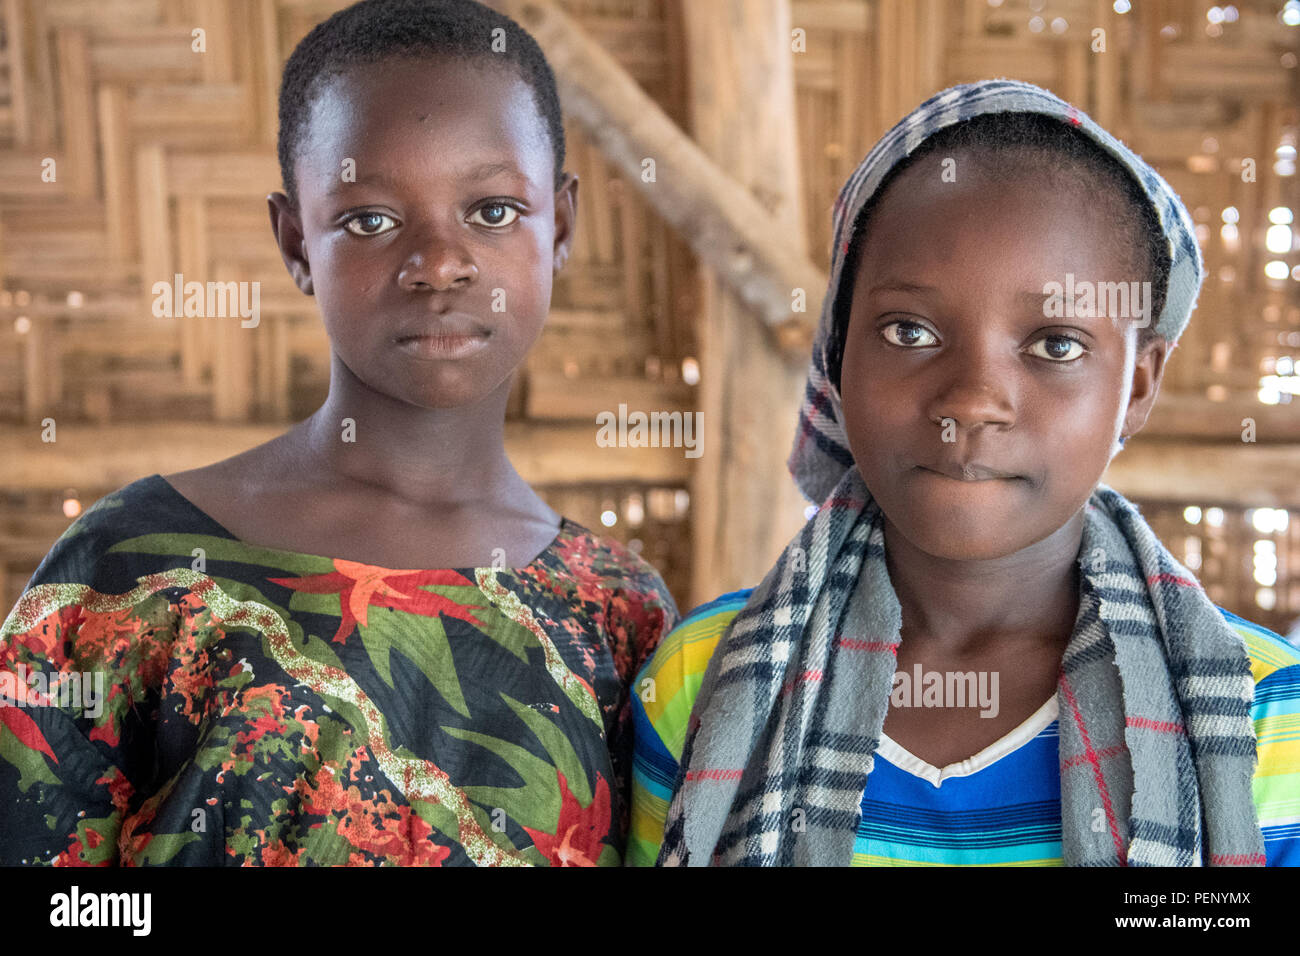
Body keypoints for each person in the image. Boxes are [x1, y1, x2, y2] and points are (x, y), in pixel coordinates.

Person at [0, 0, 678, 866]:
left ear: (564, 226)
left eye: (495, 210)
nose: (439, 261)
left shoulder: (620, 613)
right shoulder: (129, 573)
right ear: (295, 243)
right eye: (369, 220)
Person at [628, 79, 1300, 867]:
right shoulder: (699, 681)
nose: (973, 401)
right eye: (909, 331)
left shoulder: (1264, 714)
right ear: (839, 355)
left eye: (1056, 344)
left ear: (1139, 386)